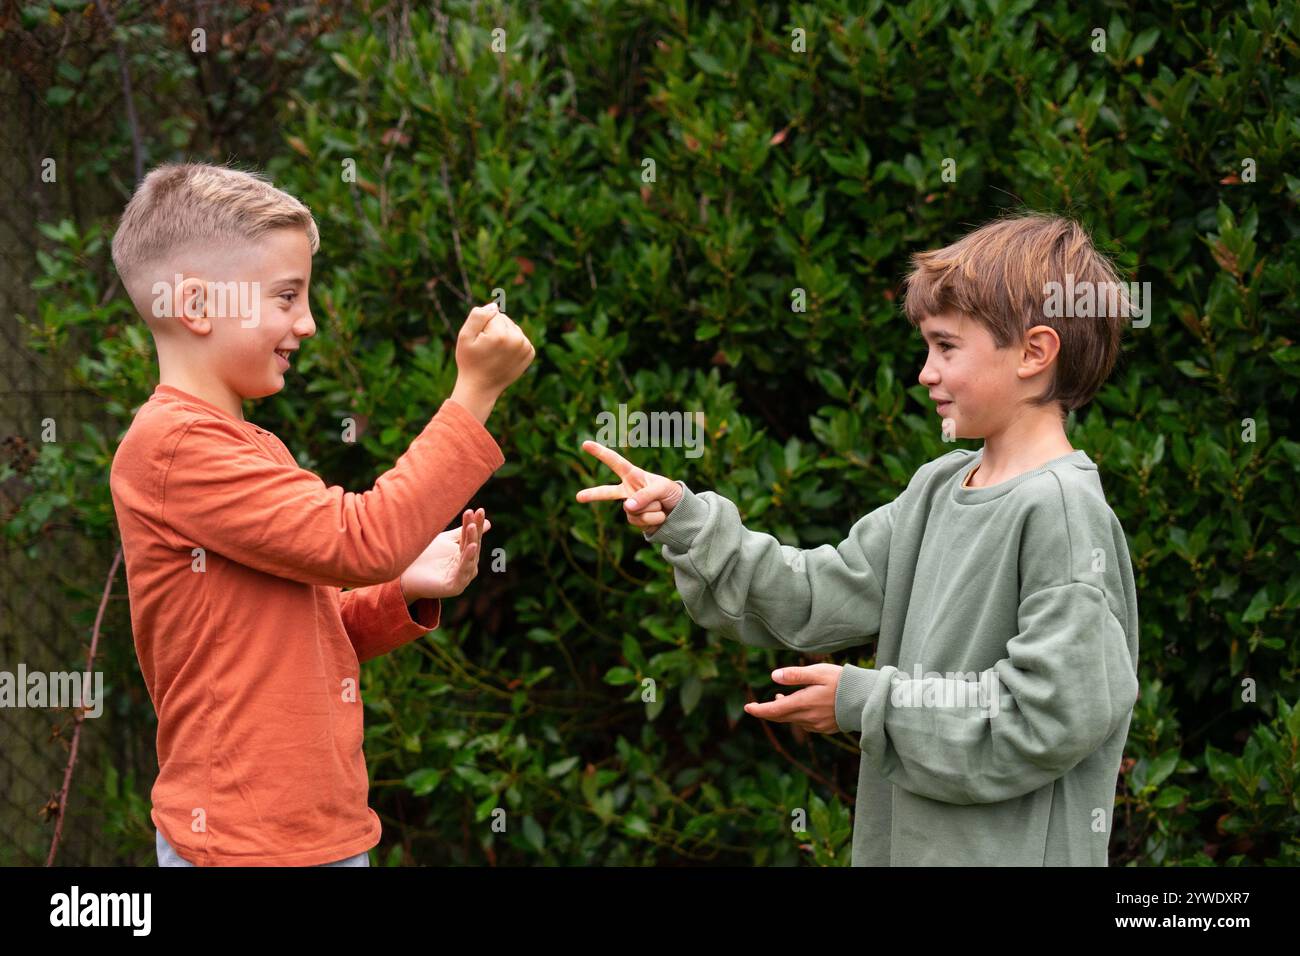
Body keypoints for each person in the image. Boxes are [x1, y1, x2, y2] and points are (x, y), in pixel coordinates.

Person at [577, 213, 1140, 866]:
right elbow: (815, 596)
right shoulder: (938, 488)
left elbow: (1044, 716)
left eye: (947, 348)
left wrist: (866, 700)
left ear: (1035, 353)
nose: (926, 373)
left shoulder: (1064, 516)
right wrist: (686, 517)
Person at [108, 162, 533, 865]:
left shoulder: (248, 446)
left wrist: (401, 588)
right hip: (241, 847)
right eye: (285, 296)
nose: (306, 323)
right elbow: (361, 539)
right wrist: (474, 393)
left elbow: (303, 636)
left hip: (319, 837)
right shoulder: (174, 449)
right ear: (196, 305)